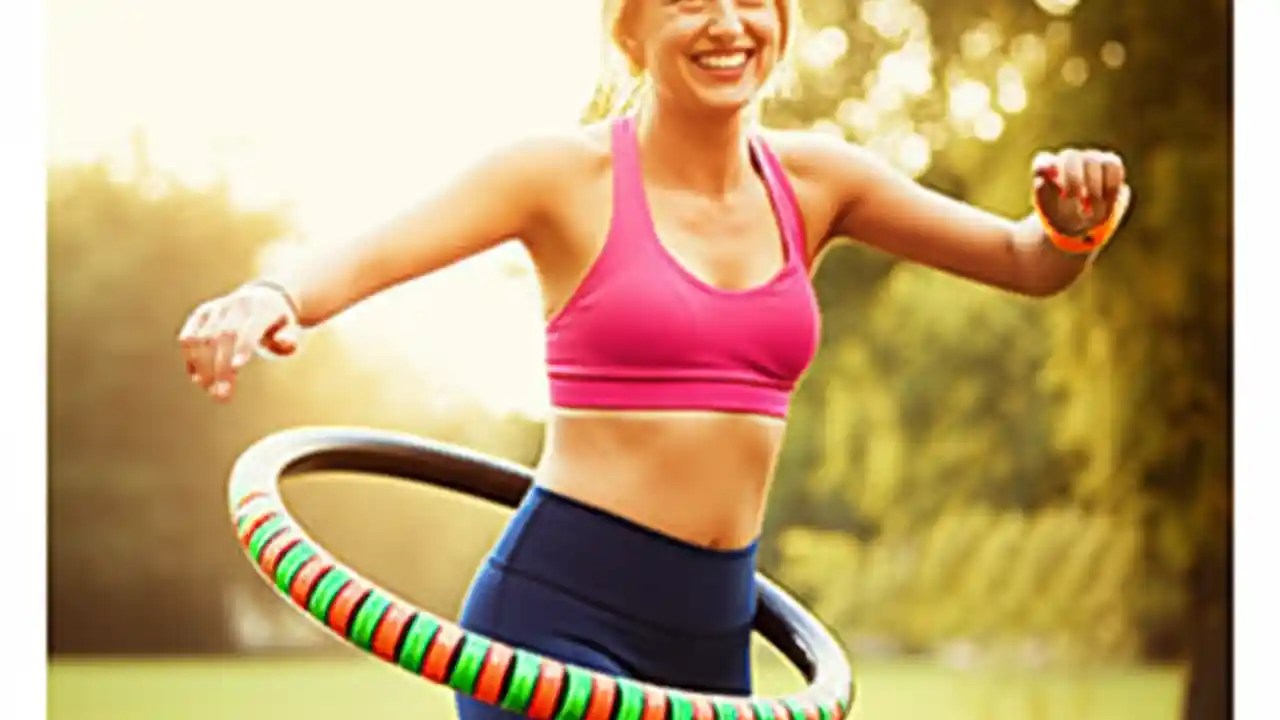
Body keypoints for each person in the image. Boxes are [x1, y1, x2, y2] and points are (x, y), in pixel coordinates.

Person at [178, 0, 1129, 715]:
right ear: (629, 29)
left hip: (712, 641)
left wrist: (1072, 225)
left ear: (783, 22)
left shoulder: (821, 182)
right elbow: (376, 248)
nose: (726, 23)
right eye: (687, 0)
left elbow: (1024, 261)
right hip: (554, 624)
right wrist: (272, 296)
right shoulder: (561, 174)